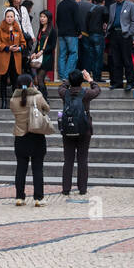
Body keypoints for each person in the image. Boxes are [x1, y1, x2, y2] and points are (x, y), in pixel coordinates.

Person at [10, 72, 52, 206]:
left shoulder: (13, 100)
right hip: (36, 135)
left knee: (21, 168)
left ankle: (19, 197)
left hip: (20, 137)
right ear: (31, 83)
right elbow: (47, 109)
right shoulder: (38, 97)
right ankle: (38, 198)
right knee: (37, 168)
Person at [58, 68, 100, 196]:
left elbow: (62, 86)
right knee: (82, 160)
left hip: (68, 128)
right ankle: (82, 188)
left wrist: (69, 79)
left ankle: (66, 189)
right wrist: (90, 79)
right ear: (82, 81)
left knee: (68, 160)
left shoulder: (64, 93)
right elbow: (97, 90)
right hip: (84, 129)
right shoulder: (86, 93)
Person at [0, 8, 27, 108]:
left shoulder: (18, 28)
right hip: (4, 57)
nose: (9, 18)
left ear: (14, 18)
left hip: (15, 58)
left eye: (11, 16)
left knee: (15, 80)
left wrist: (20, 48)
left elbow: (23, 42)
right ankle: (3, 101)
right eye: (8, 16)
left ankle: (14, 101)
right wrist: (7, 48)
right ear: (5, 17)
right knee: (3, 80)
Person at [106, 0, 134, 90]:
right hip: (114, 34)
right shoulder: (112, 6)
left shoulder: (131, 5)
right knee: (116, 60)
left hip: (125, 35)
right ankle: (117, 82)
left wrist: (130, 33)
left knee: (127, 59)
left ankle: (130, 82)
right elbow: (111, 21)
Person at [55, 0, 80, 80]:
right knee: (73, 53)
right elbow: (77, 20)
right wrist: (79, 32)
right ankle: (67, 75)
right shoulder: (74, 4)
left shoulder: (60, 4)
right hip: (72, 33)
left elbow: (57, 20)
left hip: (61, 33)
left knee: (62, 54)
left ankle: (62, 76)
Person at [31, 9, 57, 93]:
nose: (42, 19)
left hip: (47, 58)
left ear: (48, 18)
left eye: (44, 17)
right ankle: (43, 99)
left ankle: (44, 99)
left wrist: (42, 51)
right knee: (40, 80)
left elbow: (53, 46)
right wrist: (34, 53)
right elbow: (38, 43)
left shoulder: (52, 31)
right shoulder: (41, 29)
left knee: (39, 78)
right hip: (39, 57)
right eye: (41, 17)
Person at [85, 0, 108, 81]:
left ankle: (89, 75)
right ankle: (97, 77)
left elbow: (86, 21)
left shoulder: (91, 8)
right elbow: (106, 17)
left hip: (90, 35)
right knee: (98, 57)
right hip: (98, 34)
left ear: (95, 1)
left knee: (91, 57)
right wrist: (105, 23)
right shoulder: (103, 8)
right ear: (103, 1)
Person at [75, 0, 94, 70]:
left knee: (77, 54)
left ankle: (77, 72)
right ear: (90, 0)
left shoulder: (76, 5)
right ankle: (86, 72)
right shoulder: (93, 6)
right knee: (87, 54)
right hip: (87, 34)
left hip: (76, 34)